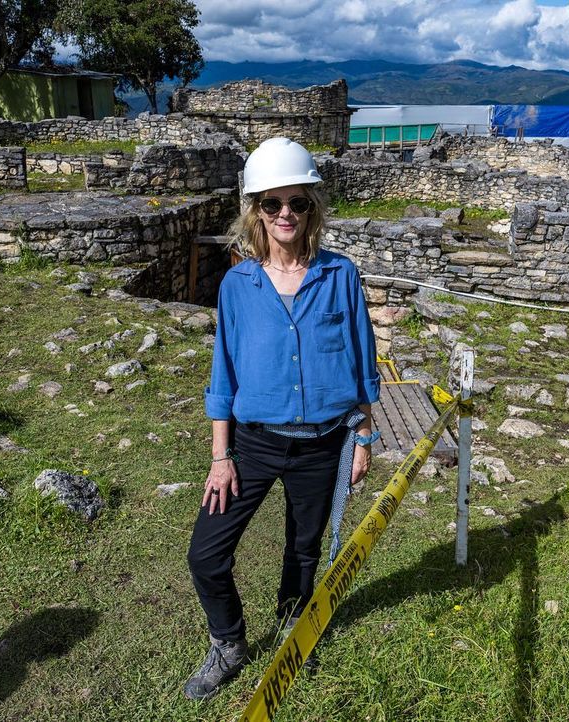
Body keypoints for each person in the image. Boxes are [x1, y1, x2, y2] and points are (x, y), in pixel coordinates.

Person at [184, 137, 381, 700]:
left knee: (304, 548)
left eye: (296, 202)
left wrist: (363, 437)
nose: (285, 214)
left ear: (311, 208)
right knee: (206, 553)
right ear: (257, 213)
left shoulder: (341, 275)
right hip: (252, 443)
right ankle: (229, 642)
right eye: (272, 204)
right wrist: (220, 458)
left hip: (323, 443)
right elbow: (223, 379)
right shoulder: (237, 285)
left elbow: (362, 364)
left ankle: (294, 634)